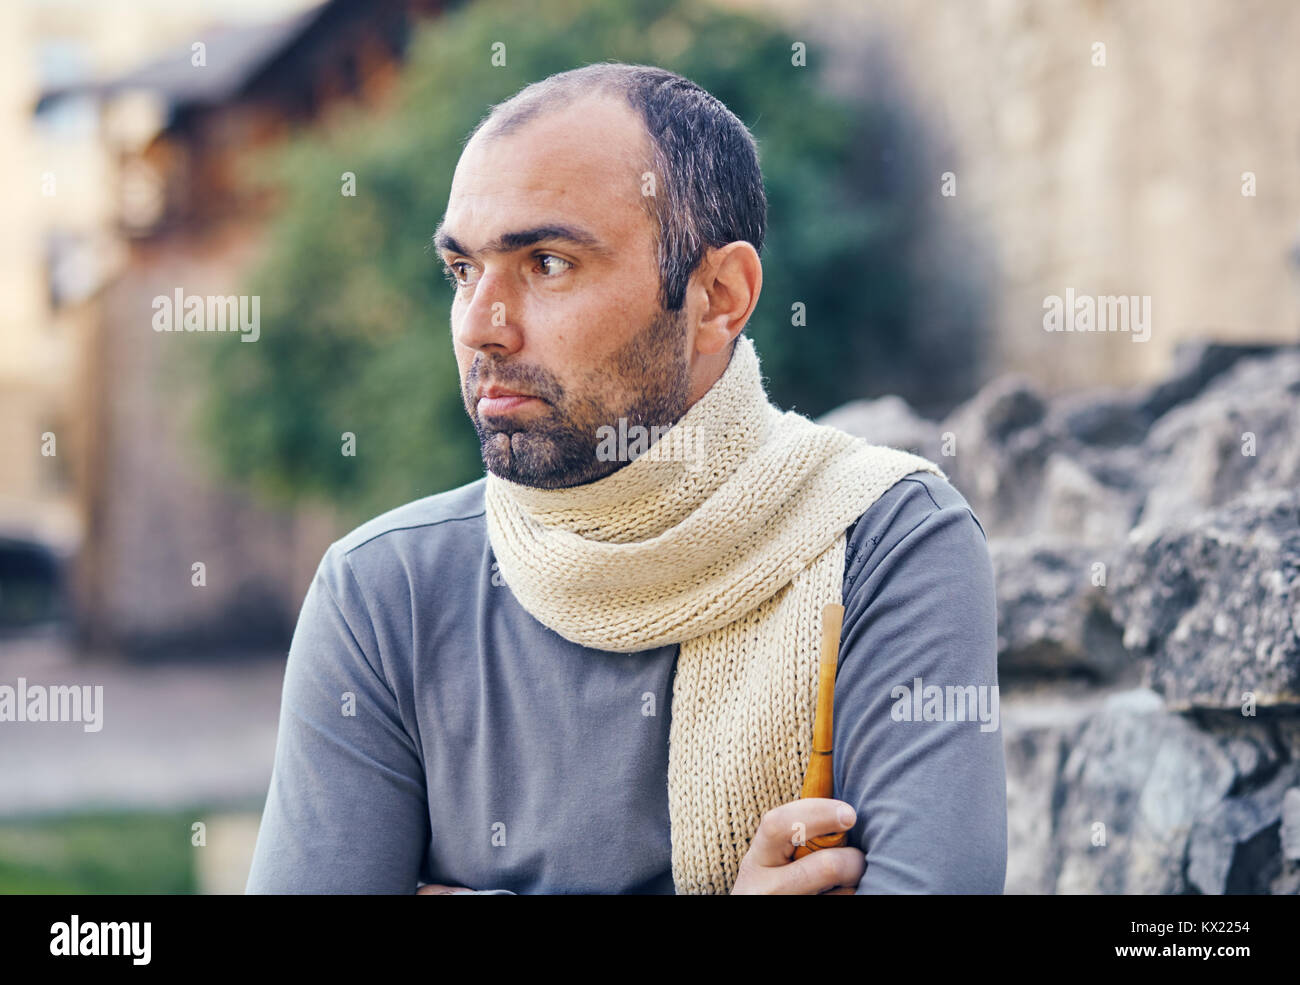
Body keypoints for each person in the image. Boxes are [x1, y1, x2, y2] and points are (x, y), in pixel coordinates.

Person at [245, 62, 1006, 895]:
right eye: (462, 271)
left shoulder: (886, 538)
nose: (480, 327)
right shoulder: (382, 594)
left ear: (719, 296)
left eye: (547, 263)